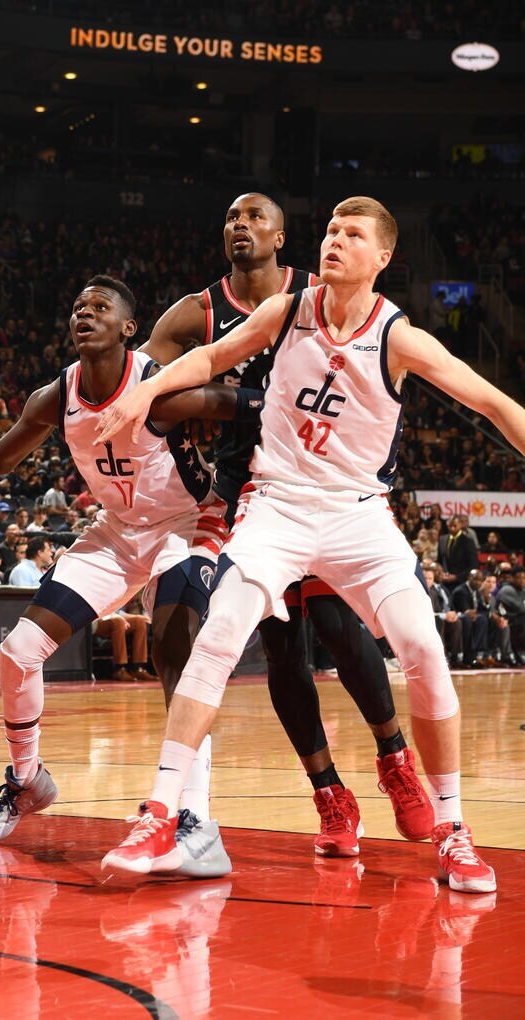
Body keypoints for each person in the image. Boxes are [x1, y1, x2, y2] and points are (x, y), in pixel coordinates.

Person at [97, 195, 523, 893]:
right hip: (277, 505)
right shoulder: (288, 310)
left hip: (357, 514)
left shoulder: (398, 337)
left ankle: (453, 830)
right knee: (221, 630)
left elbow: (494, 403)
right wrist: (144, 394)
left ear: (382, 257)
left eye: (352, 234)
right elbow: (209, 356)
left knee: (421, 647)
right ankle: (159, 813)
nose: (334, 240)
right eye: (329, 229)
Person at [0, 276, 252, 872]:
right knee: (19, 650)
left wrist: (288, 401)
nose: (85, 312)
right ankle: (28, 781)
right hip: (118, 532)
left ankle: (193, 816)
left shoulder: (158, 384)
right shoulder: (57, 394)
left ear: (129, 328)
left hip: (187, 523)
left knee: (174, 648)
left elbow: (234, 405)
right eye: (77, 306)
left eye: (100, 307)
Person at [138, 191, 430, 856]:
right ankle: (327, 790)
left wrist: (226, 399)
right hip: (248, 487)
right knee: (281, 651)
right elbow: (156, 382)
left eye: (255, 217)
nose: (240, 225)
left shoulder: (316, 291)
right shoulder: (197, 311)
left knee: (339, 627)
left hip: (326, 483)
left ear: (281, 236)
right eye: (230, 216)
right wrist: (223, 400)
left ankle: (394, 755)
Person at [93, 609, 159, 682]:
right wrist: (117, 616)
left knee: (139, 622)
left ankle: (137, 668)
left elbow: (116, 610)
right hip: (97, 620)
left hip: (113, 615)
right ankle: (119, 669)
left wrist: (133, 616)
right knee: (118, 621)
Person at [438, 515, 478, 590]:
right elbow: (440, 560)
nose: (452, 528)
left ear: (460, 525)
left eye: (454, 526)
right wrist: (441, 573)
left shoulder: (468, 542)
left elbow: (474, 565)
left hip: (460, 583)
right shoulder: (442, 540)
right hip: (444, 582)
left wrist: (457, 577)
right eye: (450, 526)